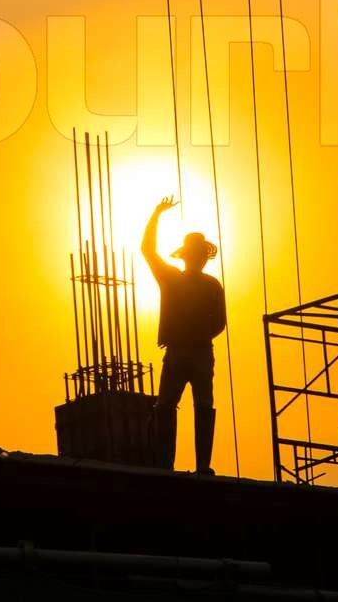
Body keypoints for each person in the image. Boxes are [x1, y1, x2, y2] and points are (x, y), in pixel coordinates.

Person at [140, 196, 226, 475]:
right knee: (166, 406)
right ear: (190, 256)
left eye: (200, 255)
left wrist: (197, 335)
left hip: (197, 352)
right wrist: (156, 214)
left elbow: (220, 323)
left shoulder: (210, 285)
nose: (198, 258)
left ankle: (200, 466)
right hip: (182, 352)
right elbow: (147, 250)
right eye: (195, 254)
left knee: (200, 406)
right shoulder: (173, 278)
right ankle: (167, 465)